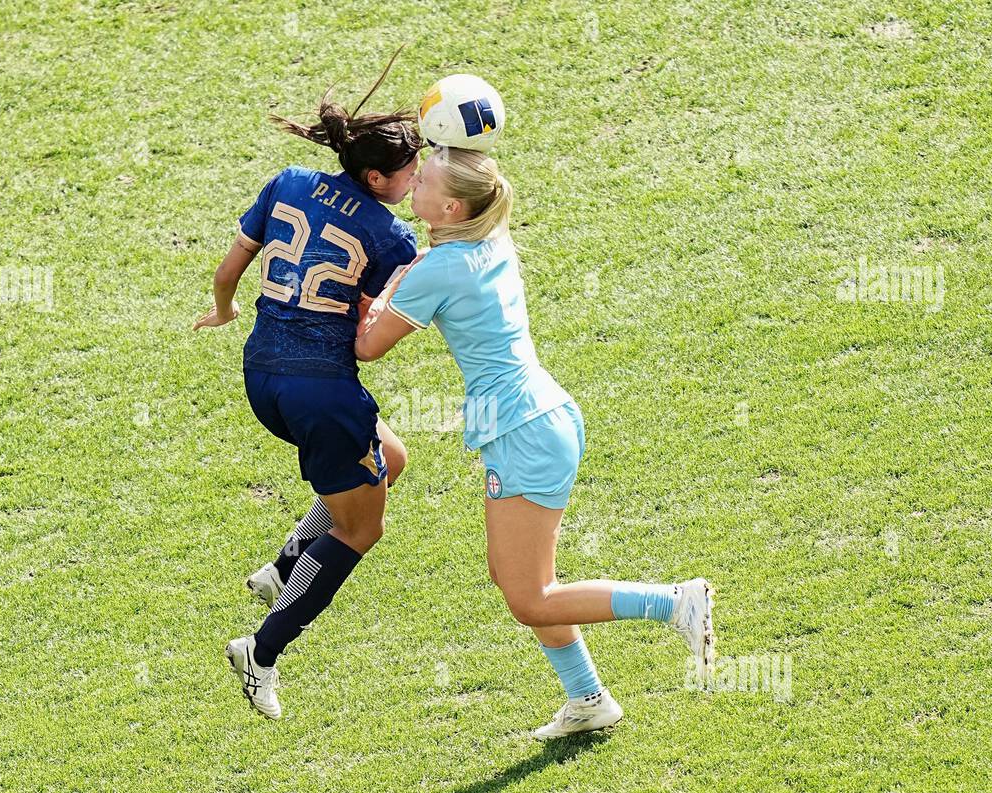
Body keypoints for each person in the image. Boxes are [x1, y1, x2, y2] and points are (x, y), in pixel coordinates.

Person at [354, 146, 717, 739]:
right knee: (518, 581)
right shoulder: (490, 239)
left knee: (530, 598)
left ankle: (674, 601)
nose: (412, 182)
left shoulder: (438, 269)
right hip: (541, 419)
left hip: (522, 431)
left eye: (425, 178)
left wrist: (370, 303)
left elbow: (368, 348)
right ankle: (588, 699)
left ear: (449, 205)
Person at [193, 62, 422, 719]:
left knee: (391, 459)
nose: (416, 180)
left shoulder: (289, 183)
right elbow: (361, 340)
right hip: (323, 394)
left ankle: (281, 569)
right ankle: (260, 652)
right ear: (376, 178)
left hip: (261, 377)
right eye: (409, 172)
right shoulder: (389, 237)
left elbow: (230, 266)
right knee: (361, 529)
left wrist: (224, 308)